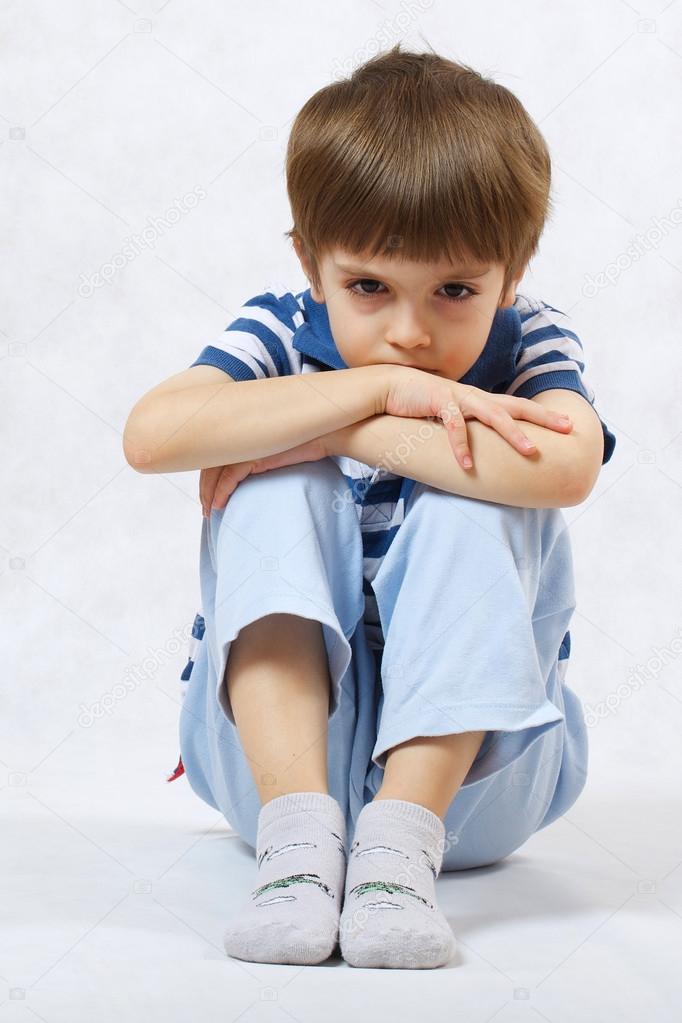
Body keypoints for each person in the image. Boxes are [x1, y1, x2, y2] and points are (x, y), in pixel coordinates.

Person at [123, 43, 616, 971]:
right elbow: (151, 436)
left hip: (474, 788)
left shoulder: (528, 340)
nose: (409, 332)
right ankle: (300, 850)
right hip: (270, 780)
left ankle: (396, 858)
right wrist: (373, 396)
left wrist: (331, 426)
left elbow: (567, 467)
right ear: (312, 264)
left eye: (456, 290)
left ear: (511, 276)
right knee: (277, 483)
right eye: (369, 288)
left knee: (479, 484)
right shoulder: (282, 328)